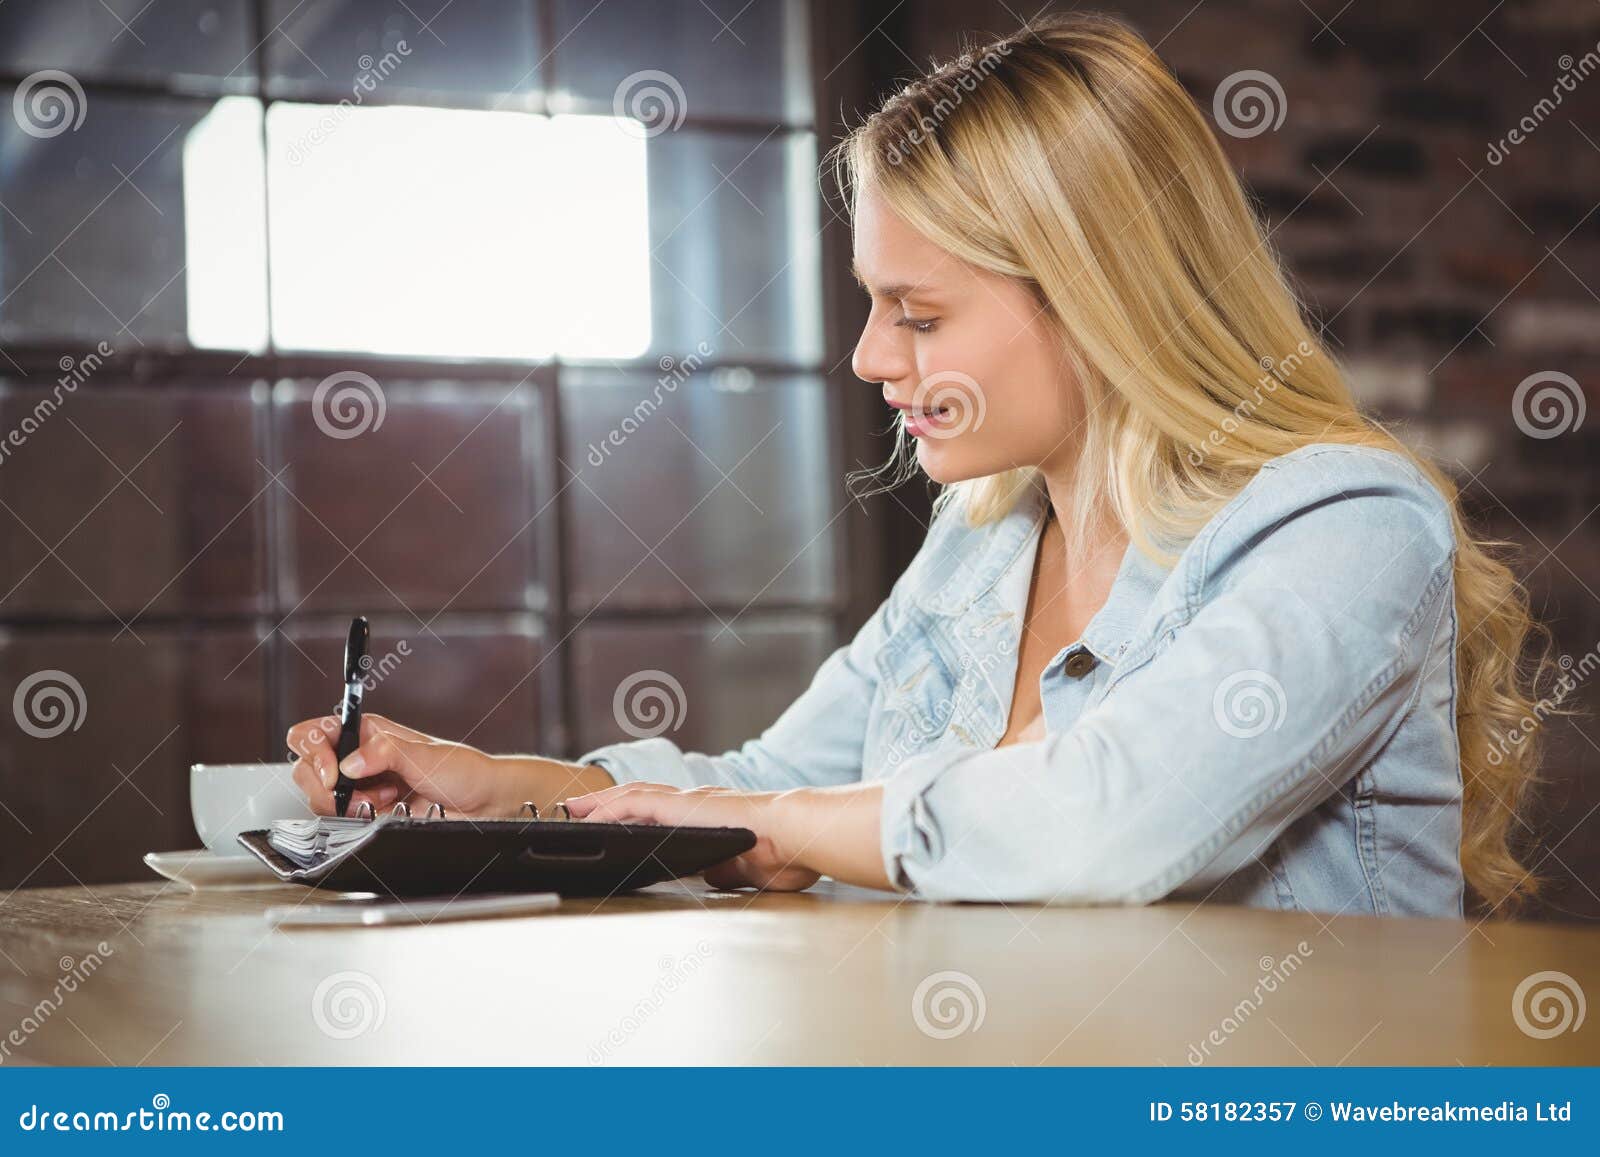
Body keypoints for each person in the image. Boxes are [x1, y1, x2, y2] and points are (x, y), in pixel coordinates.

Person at [289, 14, 1552, 917]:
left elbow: (1105, 821)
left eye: (920, 313)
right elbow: (773, 786)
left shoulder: (1345, 528)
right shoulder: (983, 540)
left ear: (1095, 296)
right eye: (872, 303)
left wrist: (786, 829)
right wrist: (496, 790)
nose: (868, 356)